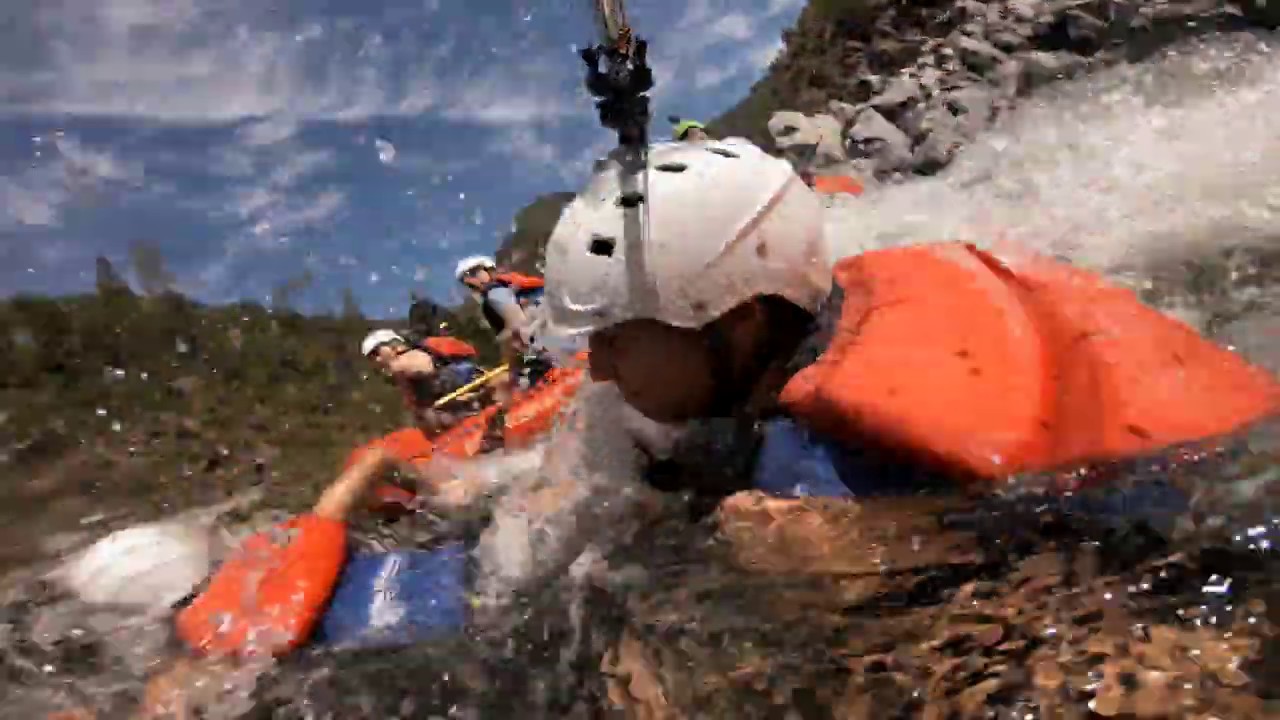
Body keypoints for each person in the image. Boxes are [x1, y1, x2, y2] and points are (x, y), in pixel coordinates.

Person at [438, 136, 1280, 625]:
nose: (604, 368)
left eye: (621, 337)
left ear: (738, 323)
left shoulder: (806, 483)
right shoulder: (855, 302)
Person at [52, 447, 482, 718]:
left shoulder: (203, 662)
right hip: (475, 591)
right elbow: (375, 461)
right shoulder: (272, 575)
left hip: (456, 620)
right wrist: (435, 488)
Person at [453, 256, 555, 396]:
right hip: (555, 339)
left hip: (551, 348)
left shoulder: (494, 293)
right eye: (466, 280)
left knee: (525, 387)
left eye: (473, 273)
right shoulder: (507, 290)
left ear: (489, 271)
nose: (469, 281)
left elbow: (518, 325)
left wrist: (512, 363)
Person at [361, 328, 484, 434]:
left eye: (376, 353)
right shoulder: (420, 352)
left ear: (393, 346)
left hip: (455, 388)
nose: (376, 360)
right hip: (470, 377)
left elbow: (411, 403)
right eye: (371, 358)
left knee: (425, 413)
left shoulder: (397, 366)